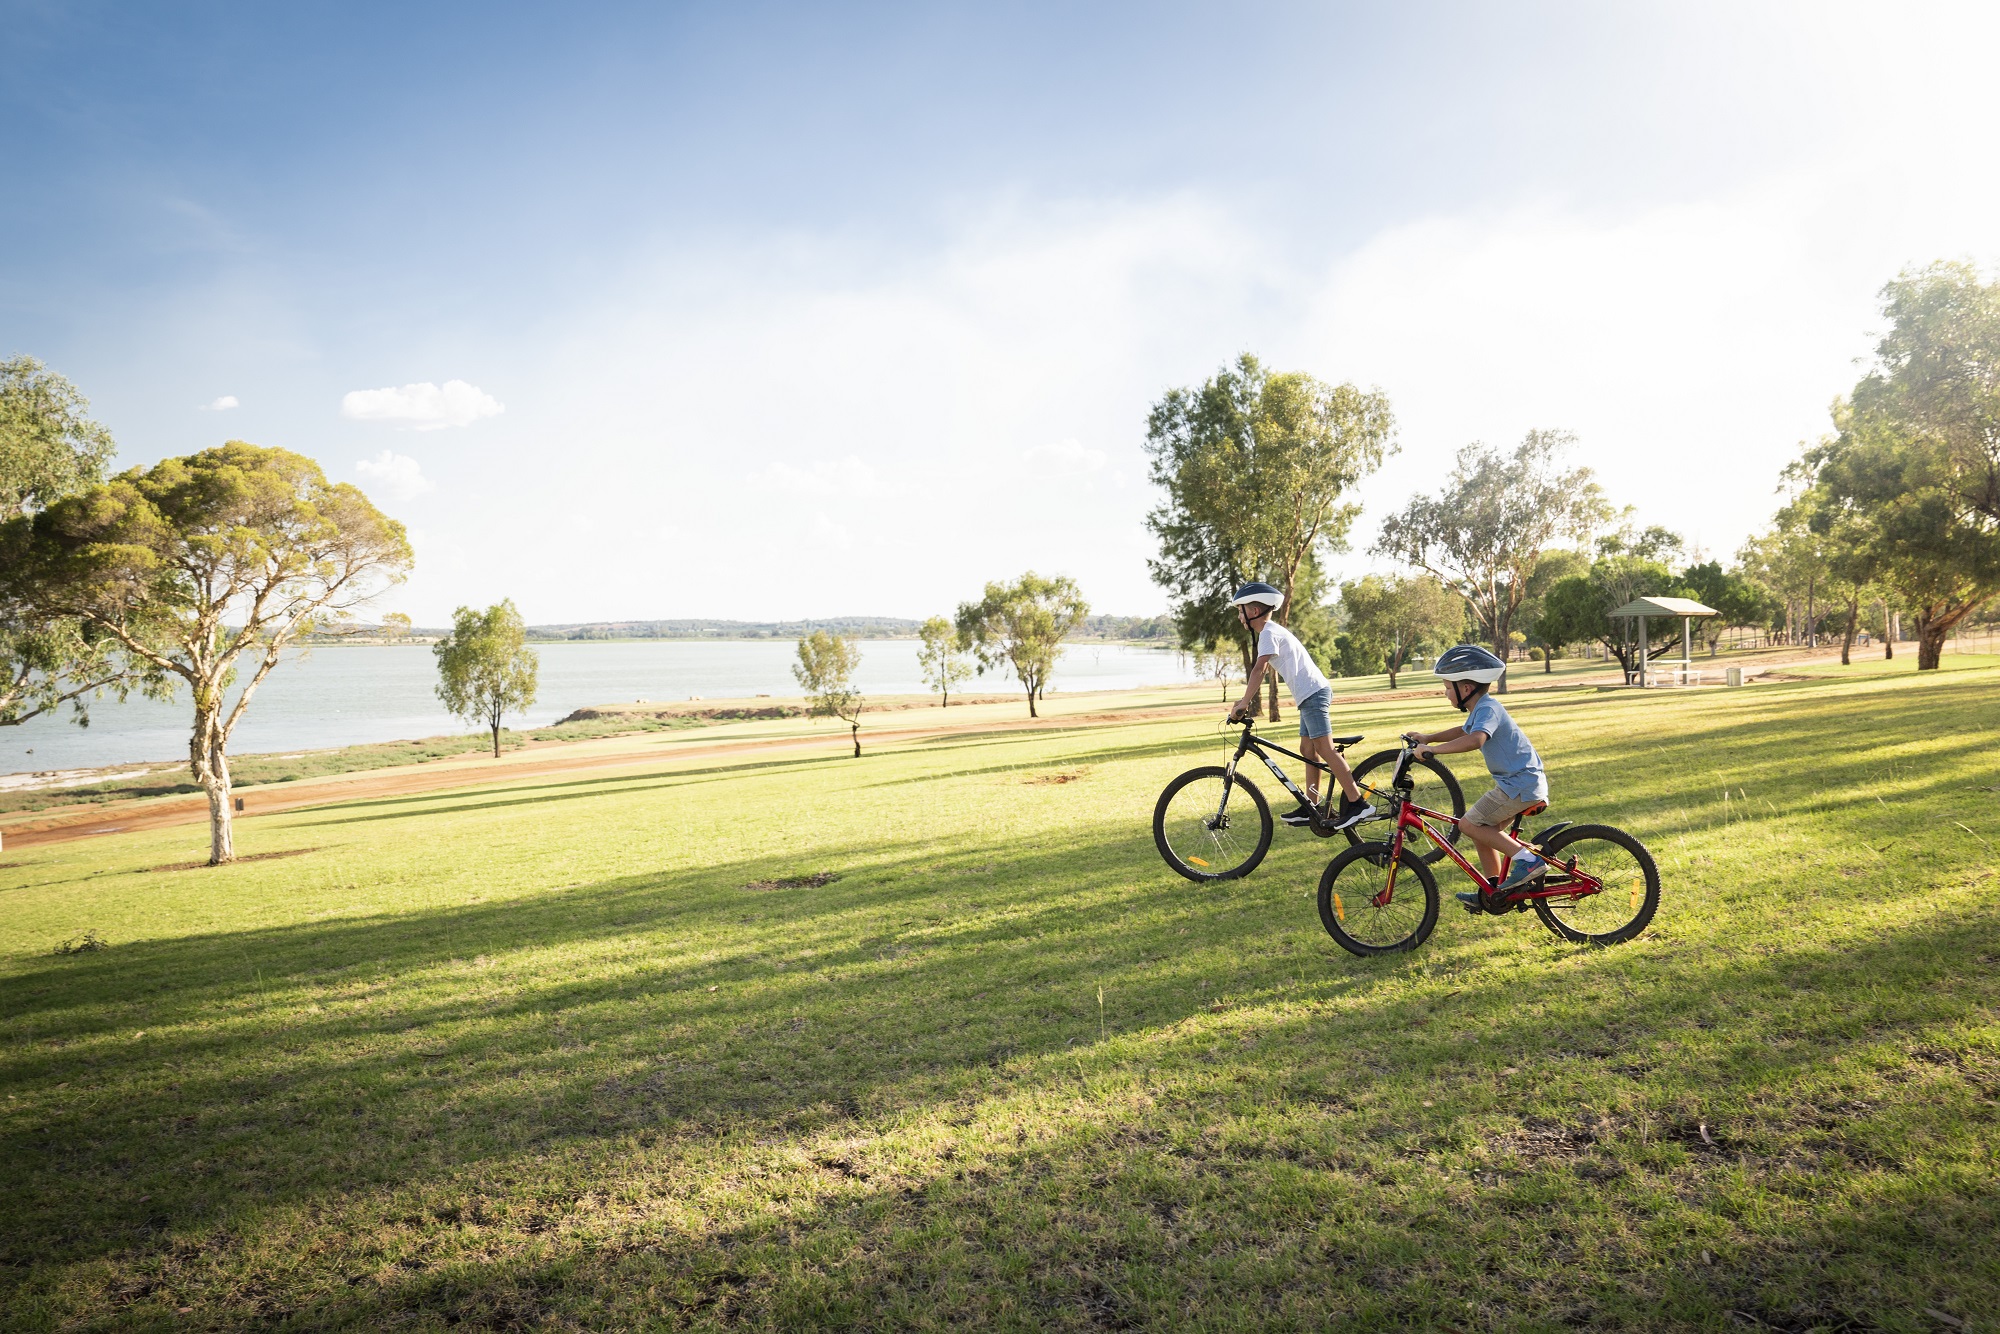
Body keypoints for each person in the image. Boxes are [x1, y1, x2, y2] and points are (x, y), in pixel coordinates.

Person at [1400, 644, 1550, 912]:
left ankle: (1528, 861)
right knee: (1483, 830)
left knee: (1468, 825)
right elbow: (1464, 729)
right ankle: (1494, 890)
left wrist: (1432, 750)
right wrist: (1429, 737)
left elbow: (1475, 739)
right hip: (1519, 783)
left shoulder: (1488, 709)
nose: (1445, 694)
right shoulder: (1482, 709)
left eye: (1448, 688)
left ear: (1466, 688)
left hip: (1518, 784)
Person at [1224, 582, 1374, 831]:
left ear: (1253, 611)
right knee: (1307, 749)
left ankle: (1357, 803)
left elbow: (1259, 669)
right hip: (1309, 695)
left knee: (1324, 749)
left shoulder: (1268, 633)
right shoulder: (1271, 631)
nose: (1239, 616)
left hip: (1313, 693)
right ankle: (1312, 806)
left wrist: (1243, 703)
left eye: (1241, 611)